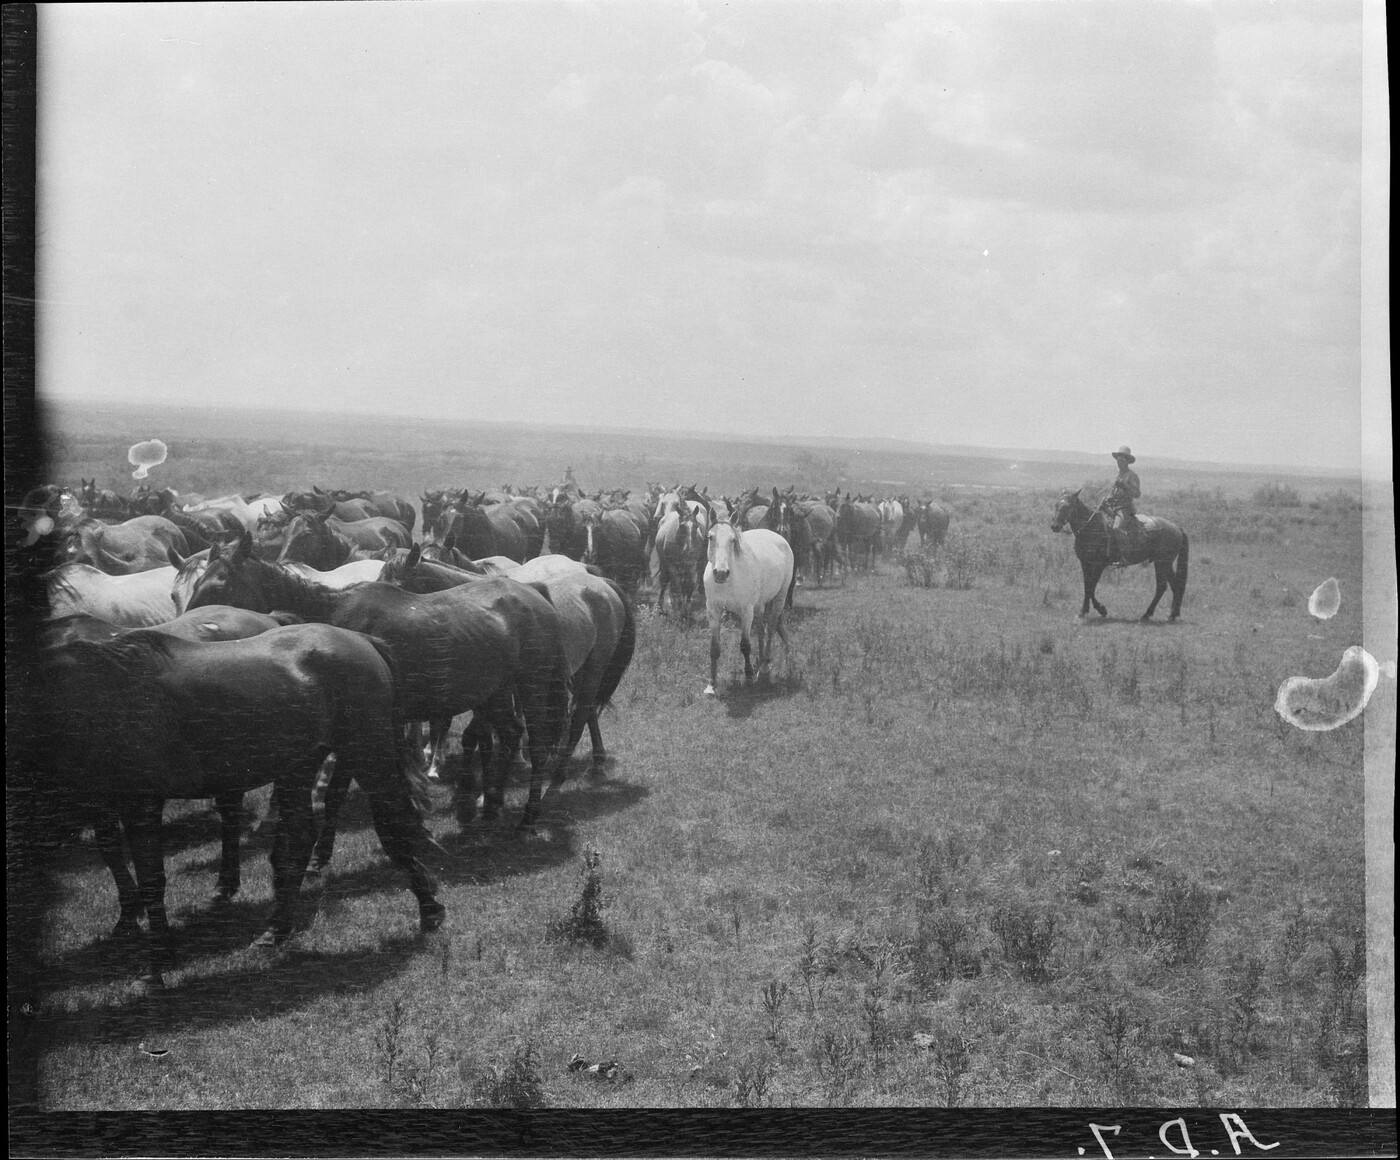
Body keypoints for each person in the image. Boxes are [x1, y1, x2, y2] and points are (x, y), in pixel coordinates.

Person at [1104, 446, 1141, 565]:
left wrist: (1125, 486)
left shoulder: (1132, 475)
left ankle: (1125, 558)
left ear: (1127, 461)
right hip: (1115, 507)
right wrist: (1107, 499)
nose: (1119, 463)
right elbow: (1113, 492)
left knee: (1117, 528)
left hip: (1125, 508)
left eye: (1121, 461)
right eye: (1118, 461)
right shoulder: (1118, 475)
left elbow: (1137, 494)